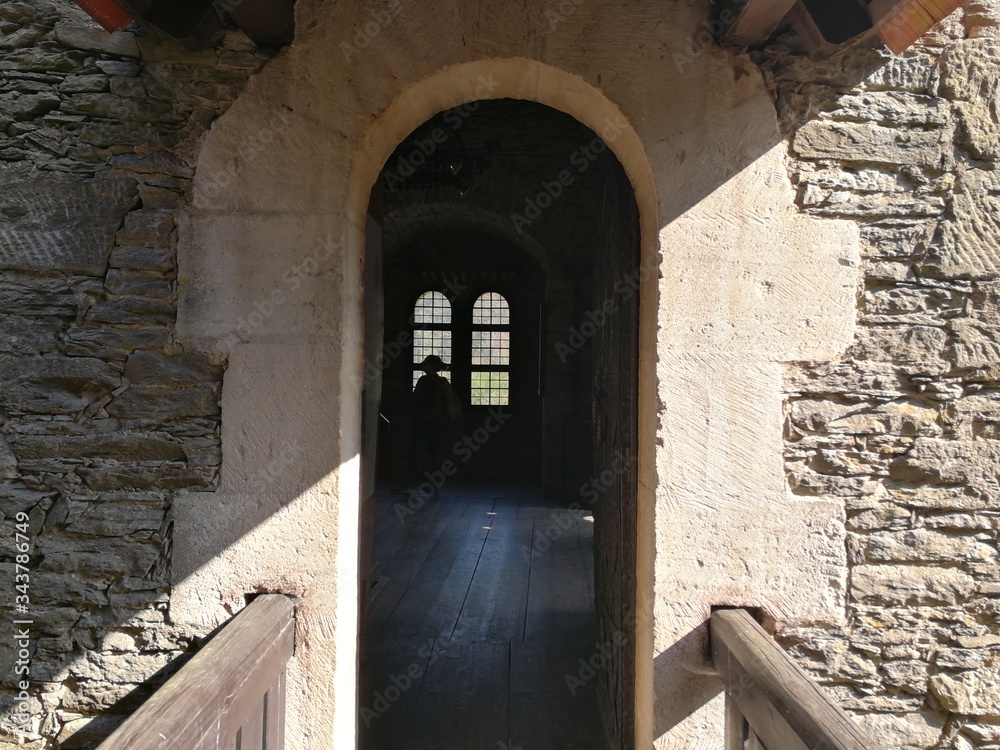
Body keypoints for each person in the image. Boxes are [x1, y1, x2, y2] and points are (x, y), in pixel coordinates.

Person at [406, 355, 458, 491]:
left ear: (429, 365)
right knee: (435, 452)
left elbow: (416, 399)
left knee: (417, 452)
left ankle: (410, 483)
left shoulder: (425, 380)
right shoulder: (443, 382)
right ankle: (435, 483)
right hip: (442, 421)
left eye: (425, 362)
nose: (422, 364)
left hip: (426, 421)